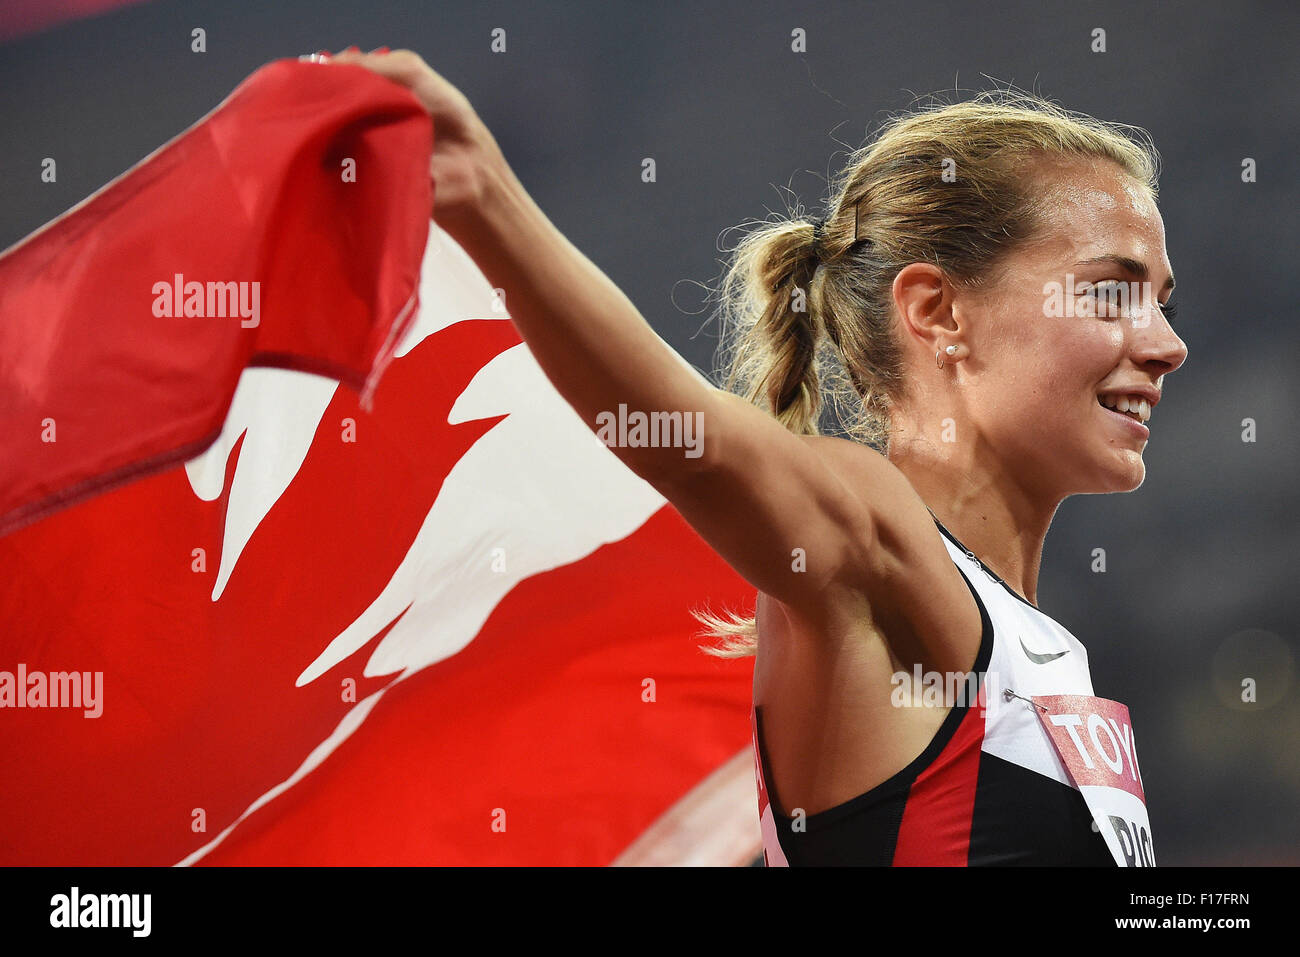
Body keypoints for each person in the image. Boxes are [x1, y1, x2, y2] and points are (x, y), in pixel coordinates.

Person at [316, 47, 1187, 865]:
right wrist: (484, 196)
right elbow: (689, 445)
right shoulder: (876, 530)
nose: (1166, 343)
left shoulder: (1051, 657)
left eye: (1162, 300)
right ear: (938, 312)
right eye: (1113, 290)